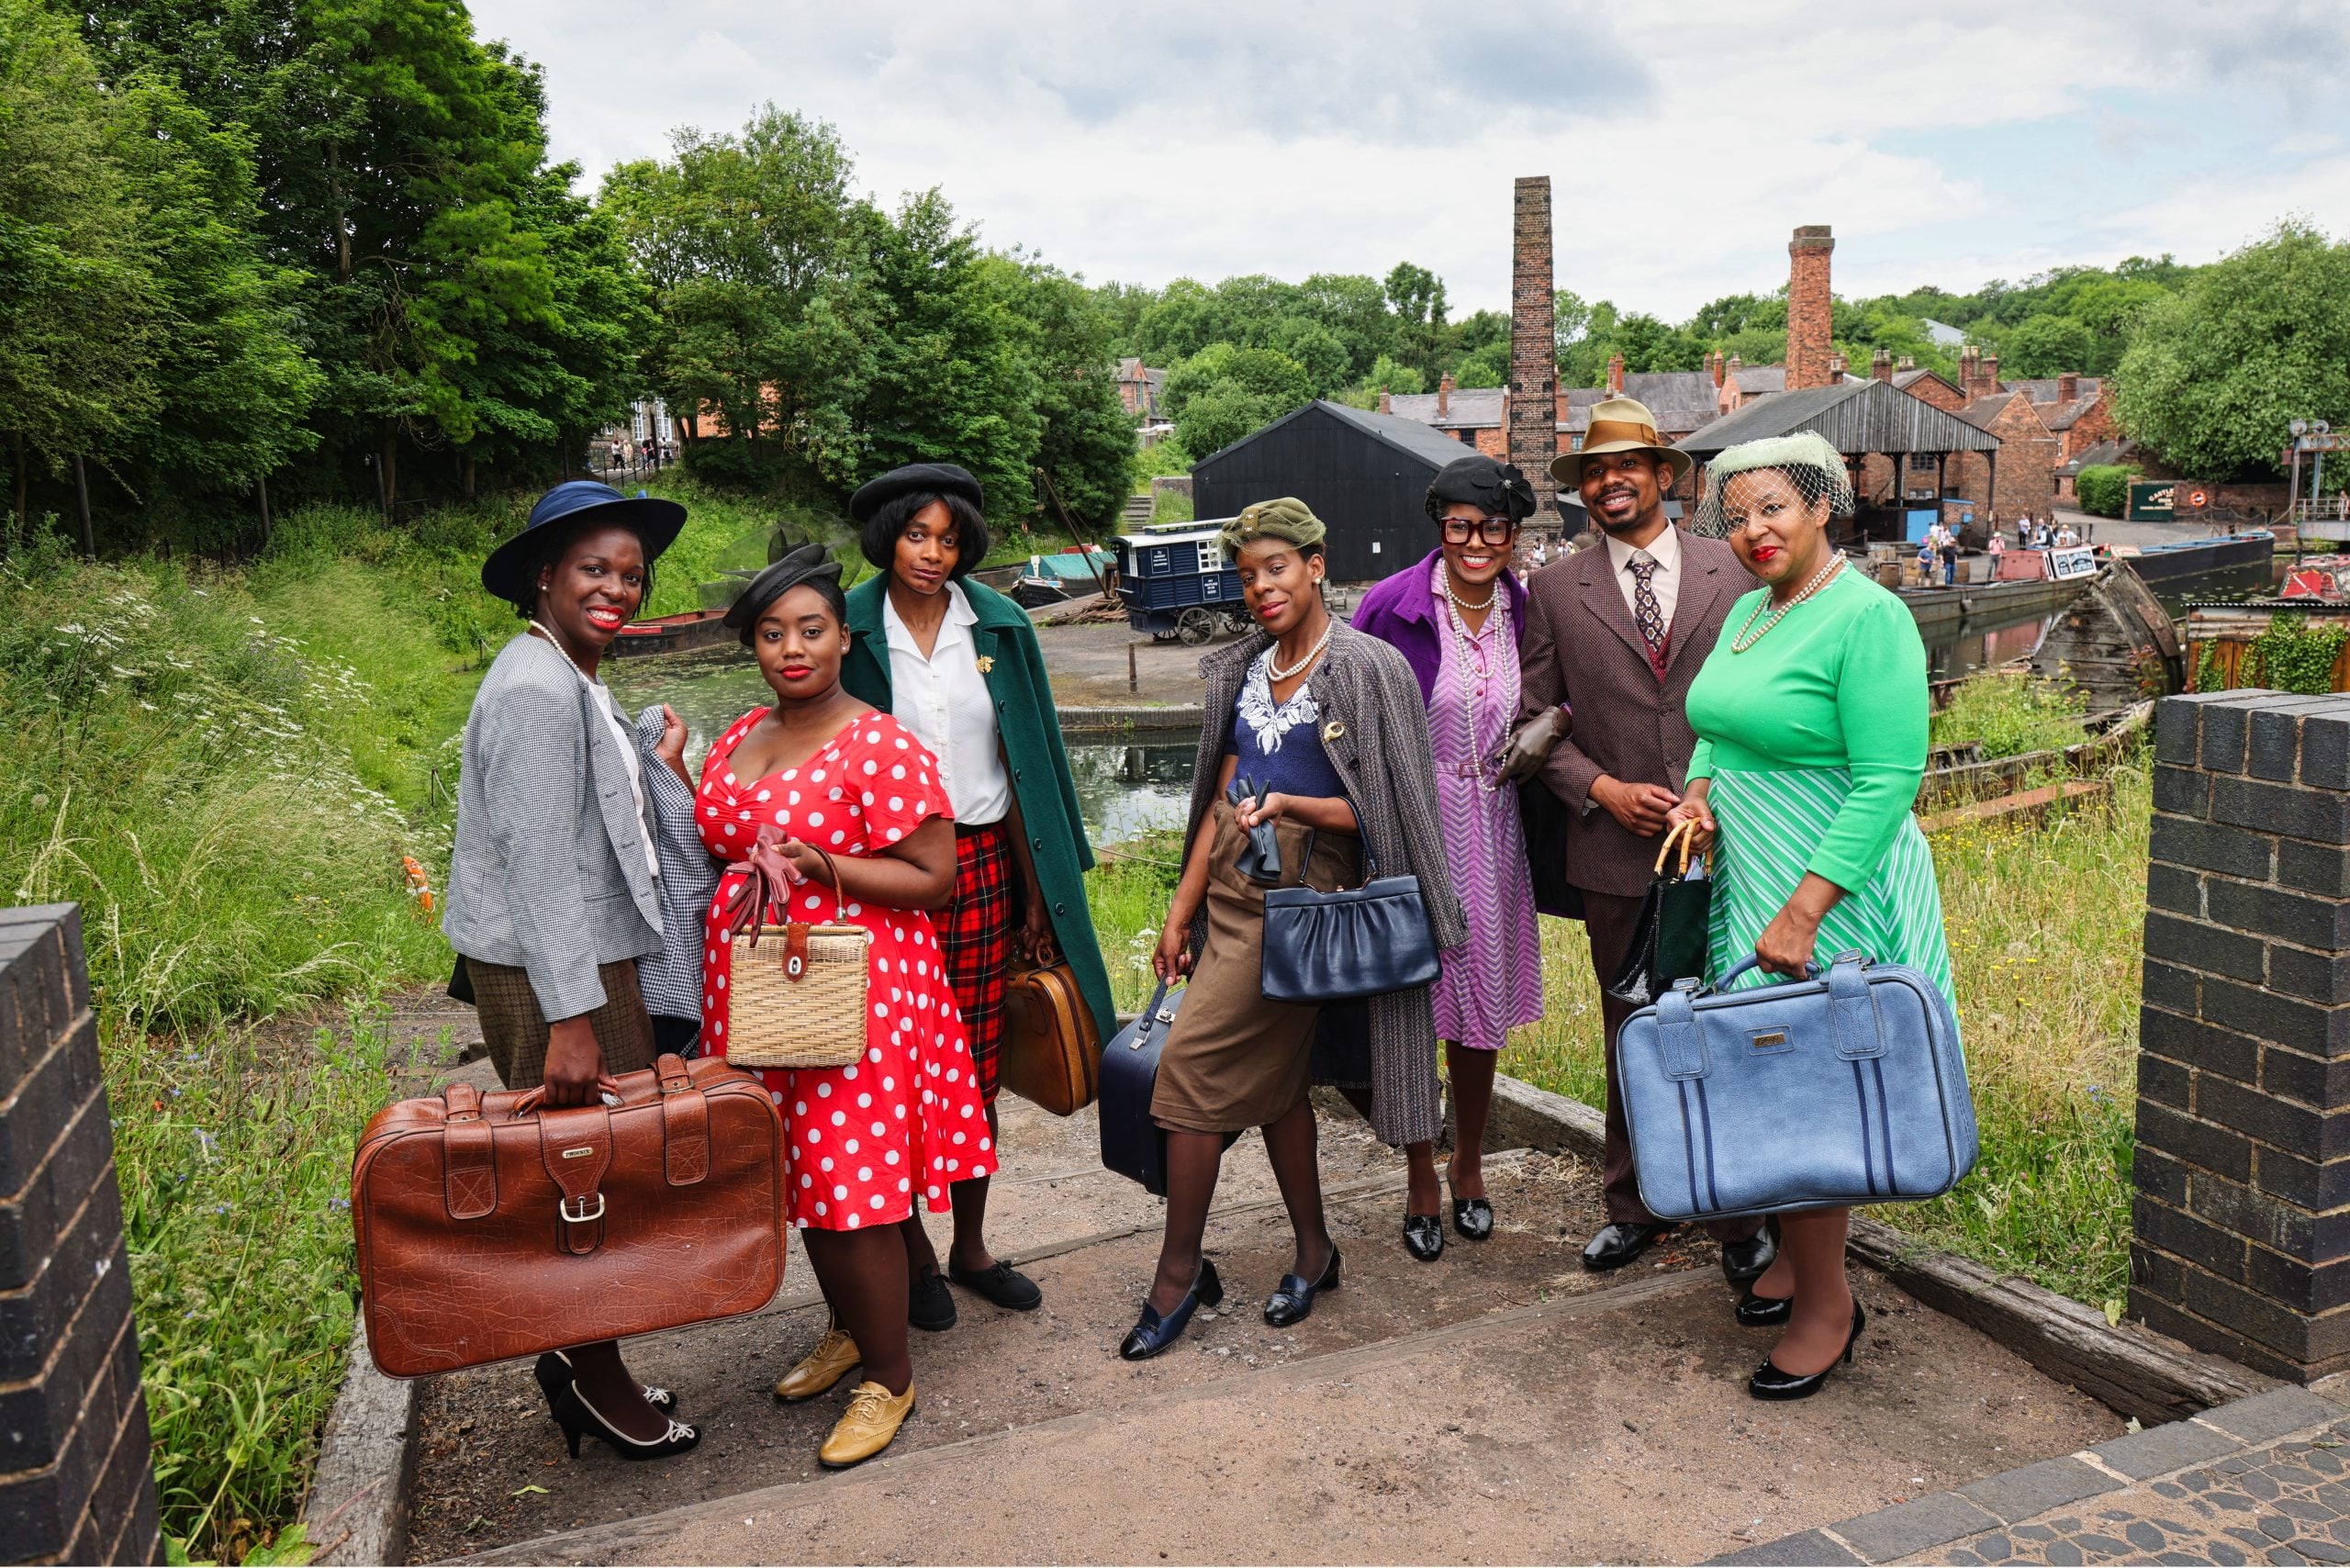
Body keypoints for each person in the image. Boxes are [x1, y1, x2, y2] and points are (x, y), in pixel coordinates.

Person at [1123, 498, 1464, 1359]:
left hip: (1310, 901)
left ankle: (1177, 1274)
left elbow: (1394, 807)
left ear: (1316, 565)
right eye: (1247, 576)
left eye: (1276, 568)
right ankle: (1314, 1253)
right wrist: (1180, 911)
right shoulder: (1247, 666)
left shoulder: (1369, 666)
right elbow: (1217, 803)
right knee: (1278, 1092)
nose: (1261, 587)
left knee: (1190, 1075)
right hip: (1235, 888)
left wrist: (1291, 803)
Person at [1666, 432, 1953, 1401]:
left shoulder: (1868, 616)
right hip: (1752, 872)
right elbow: (1715, 724)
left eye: (1773, 509)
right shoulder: (1751, 609)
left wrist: (1803, 911)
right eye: (1736, 516)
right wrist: (1699, 792)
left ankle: (1829, 1305)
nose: (1753, 530)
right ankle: (1798, 1259)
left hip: (1830, 884)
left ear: (1821, 506)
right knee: (1772, 1067)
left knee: (1809, 1090)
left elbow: (1888, 780)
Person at [696, 543, 995, 1468]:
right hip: (764, 989)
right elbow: (721, 836)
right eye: (771, 633)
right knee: (804, 1174)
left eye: (811, 630)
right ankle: (851, 1330)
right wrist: (672, 771)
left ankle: (890, 1378)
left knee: (851, 1186)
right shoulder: (742, 732)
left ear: (843, 638)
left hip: (852, 990)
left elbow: (935, 876)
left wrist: (825, 866)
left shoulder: (877, 741)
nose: (791, 649)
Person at [441, 477, 701, 1461]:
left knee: (599, 1162)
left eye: (631, 575)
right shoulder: (533, 690)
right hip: (555, 969)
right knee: (580, 1177)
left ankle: (584, 1359)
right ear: (545, 576)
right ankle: (595, 1380)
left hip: (582, 956)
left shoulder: (570, 675)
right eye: (595, 569)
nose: (617, 590)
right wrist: (570, 1019)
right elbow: (540, 860)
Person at [837, 462, 1116, 1325]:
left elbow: (1028, 765)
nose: (932, 554)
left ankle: (970, 1246)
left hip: (985, 865)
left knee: (975, 1067)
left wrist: (1039, 897)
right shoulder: (845, 625)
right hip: (884, 877)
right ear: (887, 539)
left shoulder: (997, 623)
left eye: (949, 540)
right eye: (916, 536)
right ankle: (913, 1255)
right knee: (889, 1074)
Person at [1516, 396, 1775, 1288]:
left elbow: (1767, 693)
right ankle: (1632, 1204)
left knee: (1735, 1022)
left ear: (1664, 475)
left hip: (1736, 845)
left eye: (1626, 465)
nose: (1609, 482)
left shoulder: (1734, 569)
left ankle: (1741, 1214)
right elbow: (1533, 724)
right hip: (1617, 856)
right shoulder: (1555, 591)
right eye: (1593, 472)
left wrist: (1722, 793)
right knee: (1632, 1029)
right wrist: (1601, 789)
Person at [1351, 454, 1561, 1259]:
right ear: (1439, 526)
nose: (1477, 543)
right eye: (1461, 526)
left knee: (1478, 1011)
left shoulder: (1527, 610)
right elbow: (1345, 715)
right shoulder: (1391, 606)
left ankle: (1469, 1162)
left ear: (1514, 533)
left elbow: (1563, 695)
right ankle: (1419, 1175)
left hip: (1496, 825)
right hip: (1411, 824)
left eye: (1494, 528)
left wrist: (1558, 722)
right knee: (1412, 1004)